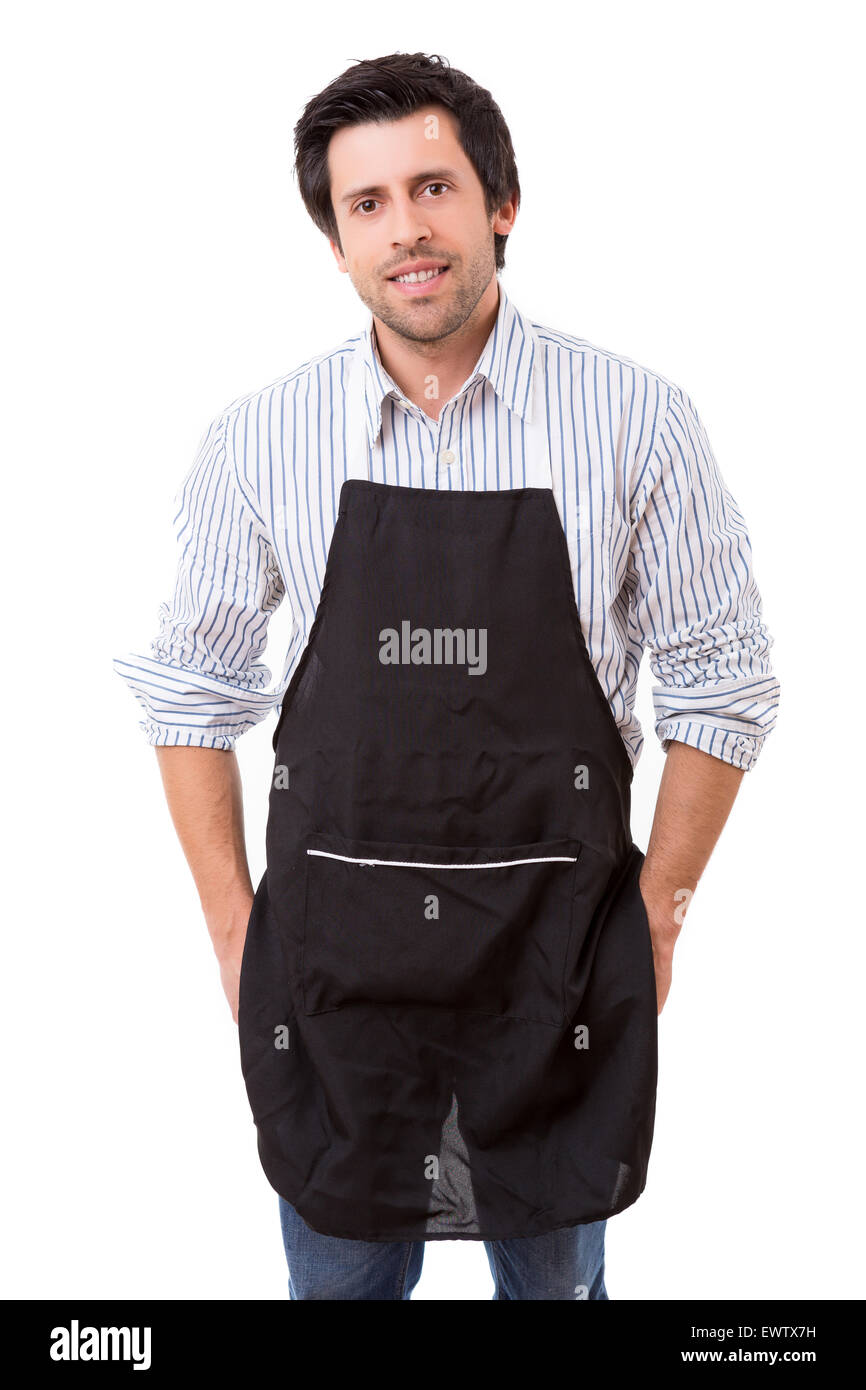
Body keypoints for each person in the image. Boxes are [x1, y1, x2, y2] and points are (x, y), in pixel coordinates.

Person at [114, 52, 781, 1301]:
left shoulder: (635, 419)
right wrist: (232, 929)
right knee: (340, 1290)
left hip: (559, 965)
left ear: (500, 204)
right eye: (365, 204)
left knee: (555, 1287)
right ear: (334, 241)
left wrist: (660, 913)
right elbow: (187, 690)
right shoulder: (260, 437)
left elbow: (722, 680)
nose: (404, 229)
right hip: (335, 980)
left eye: (433, 188)